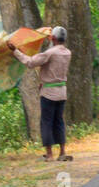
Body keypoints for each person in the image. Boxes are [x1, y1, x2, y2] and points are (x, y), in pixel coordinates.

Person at [7, 26, 72, 162]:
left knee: (46, 122)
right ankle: (62, 152)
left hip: (49, 93)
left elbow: (30, 62)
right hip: (61, 92)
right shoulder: (67, 53)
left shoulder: (50, 53)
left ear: (53, 38)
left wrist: (15, 51)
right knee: (59, 121)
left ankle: (49, 154)